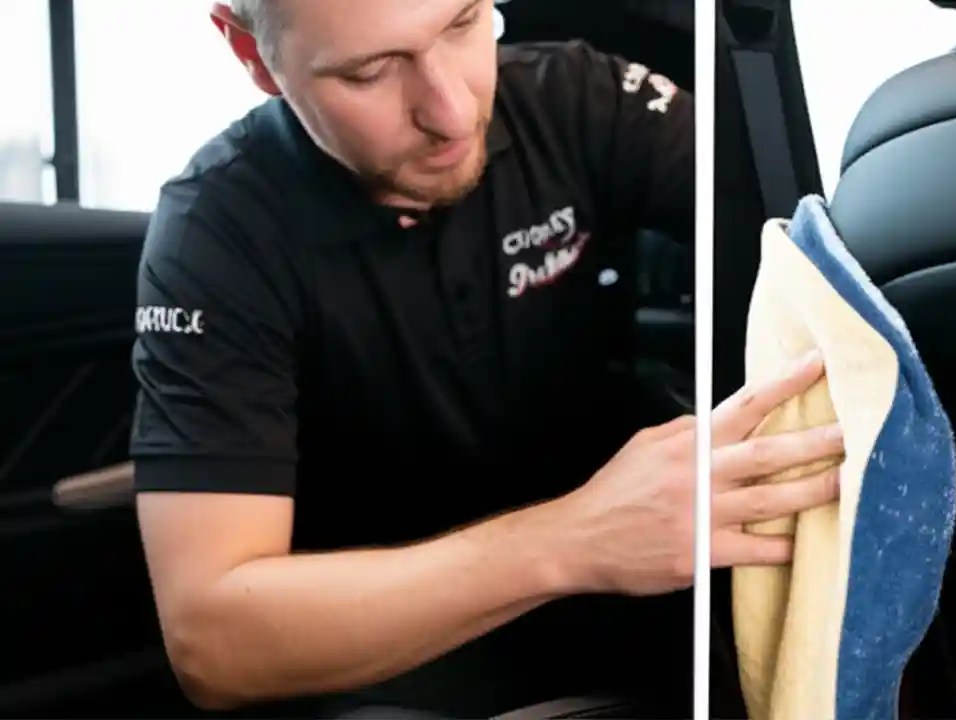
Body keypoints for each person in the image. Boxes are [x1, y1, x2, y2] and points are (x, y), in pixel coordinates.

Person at [130, 1, 845, 717]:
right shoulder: (217, 233)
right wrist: (574, 539)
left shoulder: (576, 99)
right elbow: (213, 644)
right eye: (370, 71)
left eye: (465, 22)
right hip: (387, 659)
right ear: (253, 54)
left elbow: (812, 241)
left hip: (628, 614)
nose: (450, 110)